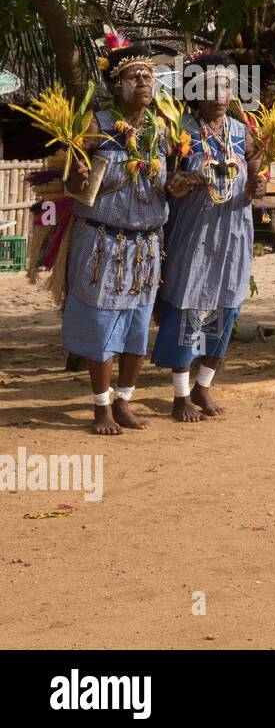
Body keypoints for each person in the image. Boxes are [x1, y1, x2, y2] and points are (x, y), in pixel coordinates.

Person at [62, 33, 183, 435]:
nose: (145, 82)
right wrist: (75, 175)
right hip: (102, 242)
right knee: (102, 325)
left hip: (147, 243)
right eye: (135, 76)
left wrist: (178, 186)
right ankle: (101, 408)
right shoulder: (96, 125)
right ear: (116, 86)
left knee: (138, 325)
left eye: (149, 76)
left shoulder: (162, 131)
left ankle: (125, 402)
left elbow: (164, 185)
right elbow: (71, 181)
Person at [150, 51, 266, 422]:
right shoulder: (178, 130)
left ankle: (204, 384)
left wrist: (257, 188)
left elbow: (255, 181)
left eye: (226, 85)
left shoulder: (242, 131)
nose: (220, 93)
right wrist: (192, 180)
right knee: (188, 305)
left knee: (225, 306)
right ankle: (180, 394)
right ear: (196, 90)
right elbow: (166, 183)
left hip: (234, 233)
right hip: (193, 233)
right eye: (212, 85)